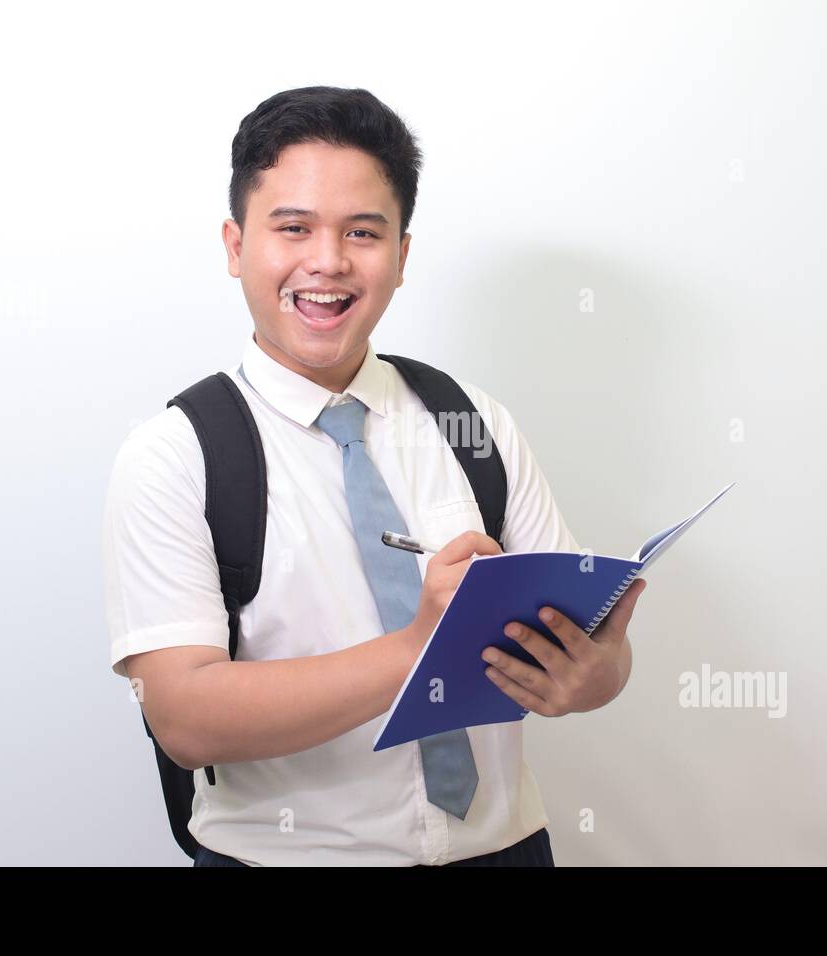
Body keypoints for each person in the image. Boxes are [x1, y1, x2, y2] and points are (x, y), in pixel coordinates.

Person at [101, 86, 646, 867]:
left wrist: (596, 673)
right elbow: (183, 719)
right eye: (293, 228)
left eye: (362, 231)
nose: (327, 261)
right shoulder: (175, 454)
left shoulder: (474, 424)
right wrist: (418, 648)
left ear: (401, 255)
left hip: (507, 851)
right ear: (234, 244)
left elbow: (592, 658)